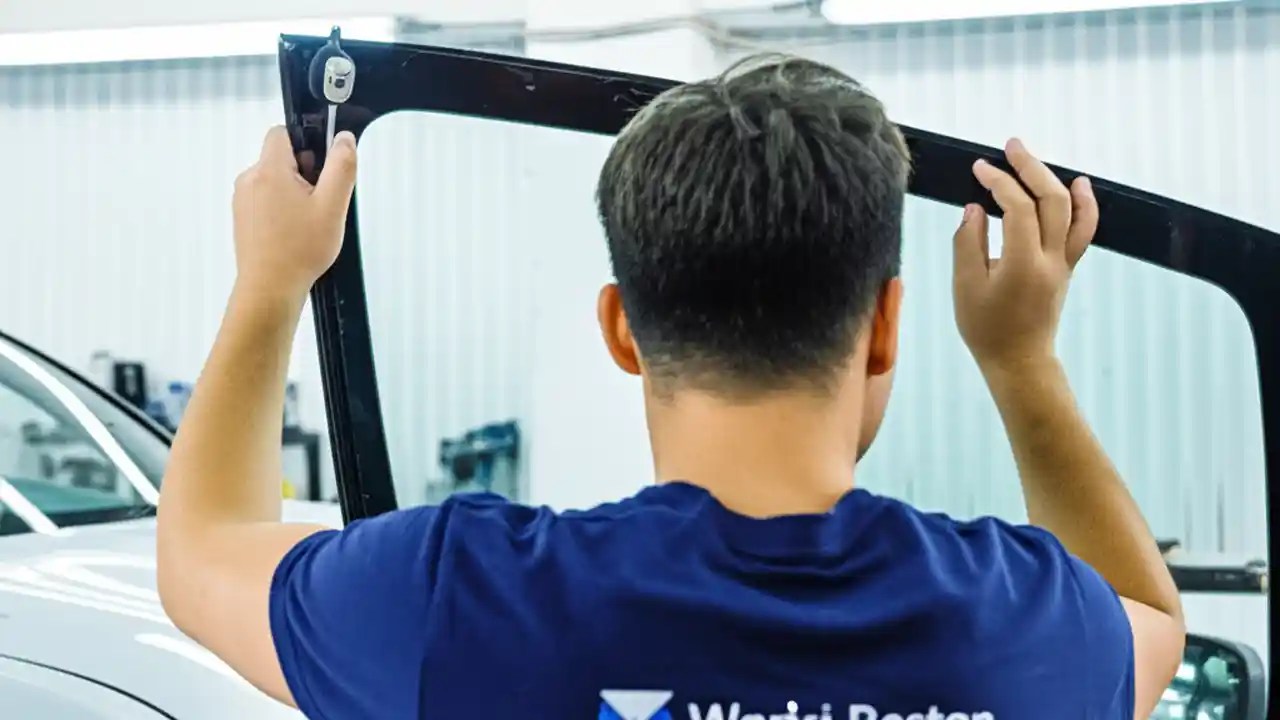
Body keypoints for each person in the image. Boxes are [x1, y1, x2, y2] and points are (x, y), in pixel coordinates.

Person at [156, 54, 1185, 719]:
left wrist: (270, 280)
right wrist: (1020, 360)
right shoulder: (1023, 621)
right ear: (883, 329)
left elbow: (199, 549)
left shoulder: (455, 597)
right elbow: (1146, 614)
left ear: (621, 331)